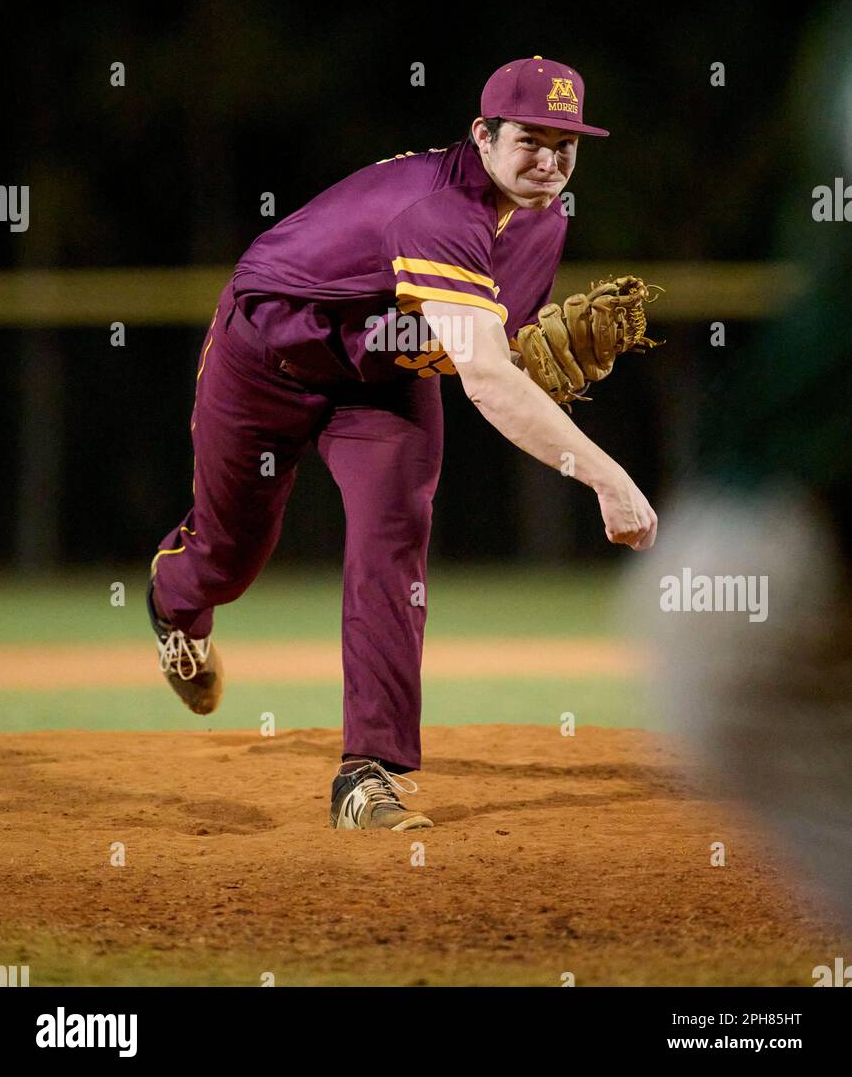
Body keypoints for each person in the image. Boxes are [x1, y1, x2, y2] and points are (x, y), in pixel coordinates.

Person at [147, 55, 658, 831]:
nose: (550, 161)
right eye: (531, 139)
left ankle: (367, 775)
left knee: (393, 541)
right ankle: (175, 606)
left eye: (567, 144)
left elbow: (488, 349)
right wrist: (608, 478)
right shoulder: (437, 210)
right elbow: (485, 377)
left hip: (384, 385)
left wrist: (522, 359)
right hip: (268, 356)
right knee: (231, 553)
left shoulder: (544, 219)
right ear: (482, 136)